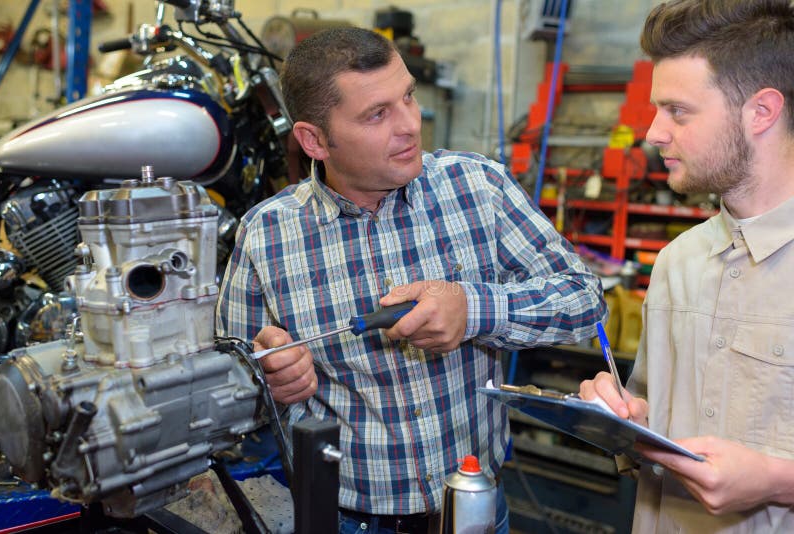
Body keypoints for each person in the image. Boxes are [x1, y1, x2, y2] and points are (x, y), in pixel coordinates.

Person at [217, 27, 607, 534]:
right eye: (377, 114)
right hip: (346, 519)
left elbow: (584, 298)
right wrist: (267, 382)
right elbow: (227, 392)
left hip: (474, 510)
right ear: (314, 140)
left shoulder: (477, 187)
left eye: (408, 97)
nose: (410, 125)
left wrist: (473, 309)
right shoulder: (267, 235)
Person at [579, 0, 794, 532]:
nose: (653, 133)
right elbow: (654, 420)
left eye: (678, 111)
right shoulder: (679, 262)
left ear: (761, 112)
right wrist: (624, 417)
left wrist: (777, 480)